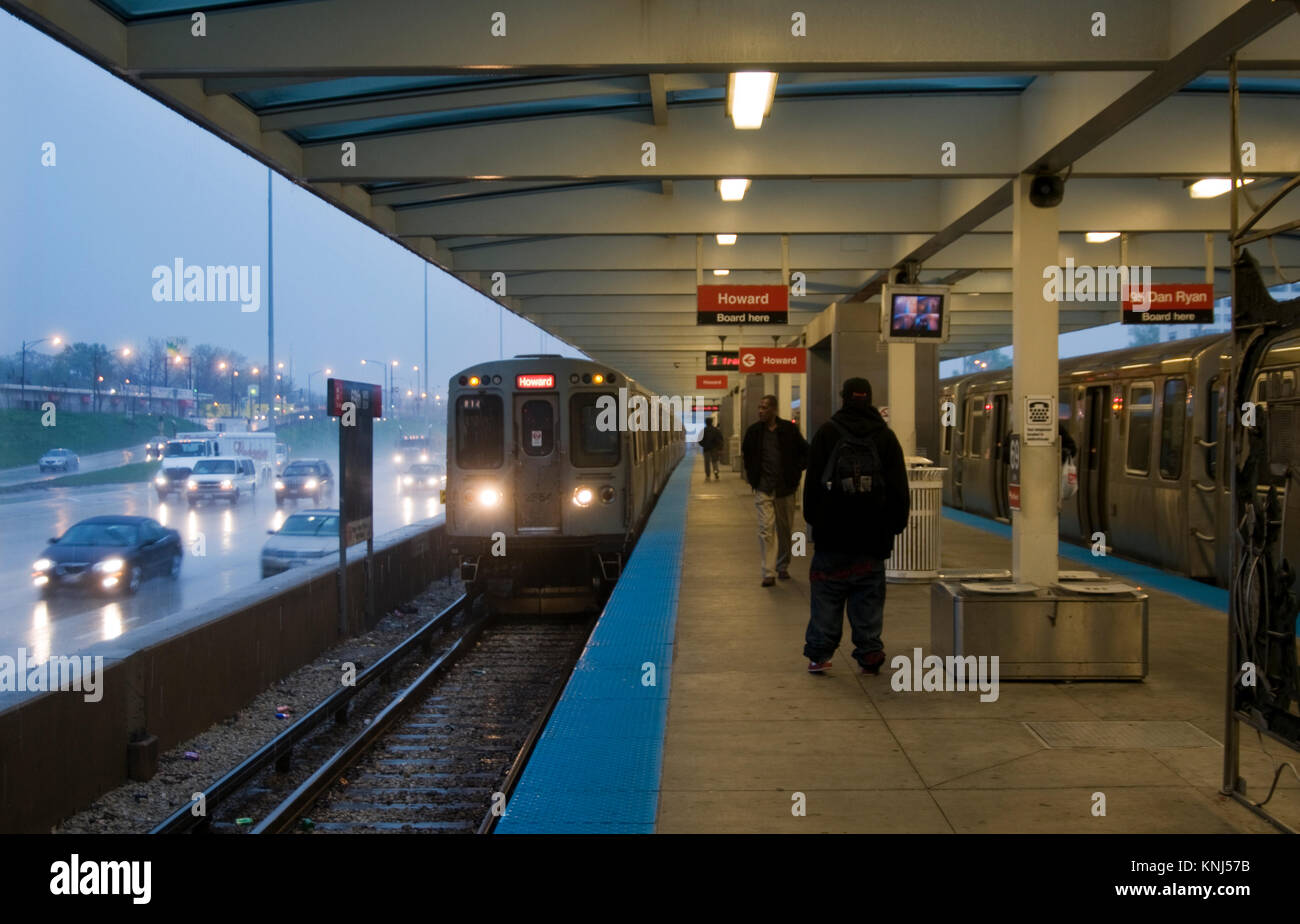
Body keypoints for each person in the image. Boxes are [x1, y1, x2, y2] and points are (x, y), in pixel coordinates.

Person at [801, 377, 910, 674]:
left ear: (843, 398)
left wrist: (814, 520)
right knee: (869, 596)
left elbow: (811, 486)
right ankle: (870, 651)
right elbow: (900, 487)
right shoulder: (885, 437)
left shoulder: (826, 433)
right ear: (870, 399)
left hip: (831, 536)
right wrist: (893, 527)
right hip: (872, 538)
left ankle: (820, 655)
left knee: (827, 595)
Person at [741, 394, 809, 587]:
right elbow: (747, 454)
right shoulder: (754, 432)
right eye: (759, 408)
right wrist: (753, 477)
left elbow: (806, 451)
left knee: (786, 529)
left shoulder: (789, 429)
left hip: (785, 488)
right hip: (763, 487)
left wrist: (796, 471)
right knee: (765, 529)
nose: (760, 411)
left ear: (774, 410)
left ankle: (783, 565)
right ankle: (768, 571)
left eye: (764, 408)